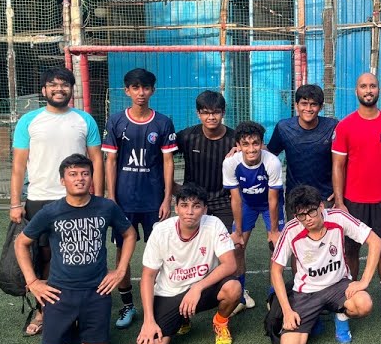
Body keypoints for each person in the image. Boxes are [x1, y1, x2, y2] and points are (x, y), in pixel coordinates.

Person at [9, 66, 104, 337]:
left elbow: (97, 159)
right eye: (53, 84)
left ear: (72, 90)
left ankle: (75, 309)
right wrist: (16, 202)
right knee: (42, 257)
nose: (59, 89)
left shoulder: (85, 120)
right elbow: (18, 165)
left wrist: (98, 196)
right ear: (44, 90)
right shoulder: (29, 121)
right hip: (40, 198)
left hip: (77, 201)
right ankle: (43, 311)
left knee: (74, 256)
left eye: (64, 84)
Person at [15, 154, 137, 344]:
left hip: (97, 290)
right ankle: (67, 323)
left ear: (91, 178)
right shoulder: (51, 211)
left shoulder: (106, 207)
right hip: (60, 291)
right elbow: (21, 243)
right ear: (63, 181)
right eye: (73, 174)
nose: (79, 178)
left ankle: (81, 322)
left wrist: (121, 270)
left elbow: (130, 234)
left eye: (85, 174)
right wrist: (33, 281)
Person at [102, 68, 177, 329]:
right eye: (135, 88)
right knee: (123, 253)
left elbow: (168, 162)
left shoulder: (163, 122)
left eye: (145, 88)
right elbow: (110, 161)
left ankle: (161, 303)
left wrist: (168, 198)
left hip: (154, 201)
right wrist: (111, 198)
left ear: (153, 90)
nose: (140, 93)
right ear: (127, 91)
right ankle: (127, 305)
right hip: (124, 202)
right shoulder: (115, 121)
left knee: (163, 253)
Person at [332, 72, 381, 324]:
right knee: (350, 249)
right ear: (356, 91)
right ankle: (352, 297)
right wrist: (340, 203)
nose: (368, 90)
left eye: (372, 86)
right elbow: (338, 166)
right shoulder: (345, 126)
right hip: (352, 202)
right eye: (363, 86)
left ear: (379, 90)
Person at [270, 185, 381, 344]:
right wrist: (287, 311)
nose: (307, 219)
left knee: (364, 304)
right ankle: (313, 319)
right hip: (306, 293)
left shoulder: (338, 217)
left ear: (321, 206)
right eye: (301, 215)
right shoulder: (291, 230)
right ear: (296, 215)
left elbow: (376, 241)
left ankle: (341, 316)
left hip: (338, 285)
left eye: (312, 212)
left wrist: (364, 281)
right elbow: (275, 271)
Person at [135, 184, 242, 344]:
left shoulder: (214, 224)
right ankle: (182, 319)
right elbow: (148, 276)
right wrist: (148, 321)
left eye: (196, 206)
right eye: (184, 205)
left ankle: (220, 321)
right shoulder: (161, 232)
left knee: (233, 288)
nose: (190, 212)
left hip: (202, 289)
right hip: (169, 293)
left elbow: (230, 265)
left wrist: (197, 287)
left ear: (205, 209)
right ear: (176, 208)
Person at [174, 91, 241, 319]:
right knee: (188, 248)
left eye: (215, 112)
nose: (210, 117)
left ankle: (236, 289)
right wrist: (175, 191)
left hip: (223, 202)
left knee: (232, 248)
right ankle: (185, 288)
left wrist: (244, 149)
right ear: (198, 114)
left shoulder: (235, 139)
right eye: (205, 113)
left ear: (223, 113)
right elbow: (162, 155)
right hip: (194, 203)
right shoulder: (186, 137)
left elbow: (262, 148)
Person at [222, 120, 284, 313]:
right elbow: (235, 199)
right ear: (238, 146)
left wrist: (273, 231)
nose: (251, 149)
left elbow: (273, 200)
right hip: (246, 204)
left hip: (269, 205)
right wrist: (238, 231)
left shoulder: (272, 162)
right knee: (237, 247)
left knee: (276, 248)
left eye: (255, 143)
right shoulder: (230, 162)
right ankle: (240, 295)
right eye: (246, 144)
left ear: (261, 143)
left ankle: (273, 295)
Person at [267, 84, 338, 202]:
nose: (308, 109)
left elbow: (344, 160)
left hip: (325, 198)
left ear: (320, 107)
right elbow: (269, 153)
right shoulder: (284, 127)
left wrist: (339, 191)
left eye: (313, 104)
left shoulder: (333, 127)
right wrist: (241, 150)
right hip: (295, 198)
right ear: (296, 105)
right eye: (304, 104)